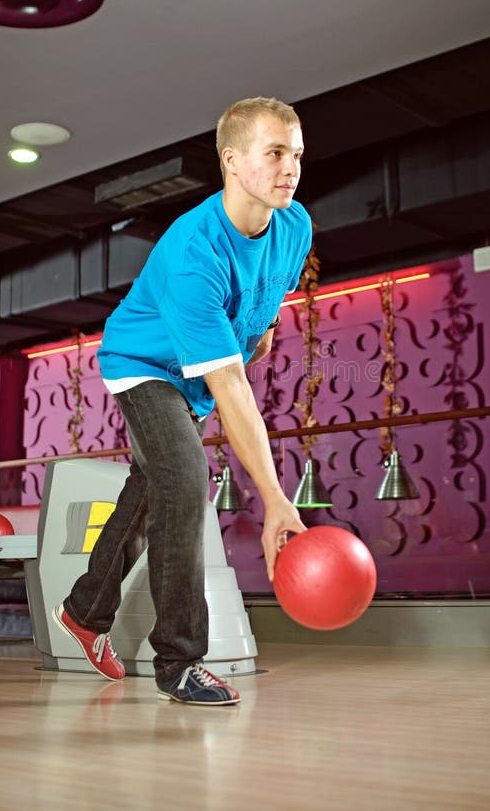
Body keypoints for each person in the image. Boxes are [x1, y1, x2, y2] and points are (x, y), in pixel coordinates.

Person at [52, 97, 312, 706]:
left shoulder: (294, 224)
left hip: (192, 374)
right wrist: (275, 501)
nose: (290, 168)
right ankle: (180, 660)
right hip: (142, 364)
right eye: (275, 153)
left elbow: (269, 295)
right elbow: (231, 391)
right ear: (231, 160)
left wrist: (263, 327)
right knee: (188, 475)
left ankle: (86, 613)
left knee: (152, 492)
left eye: (296, 154)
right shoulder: (194, 253)